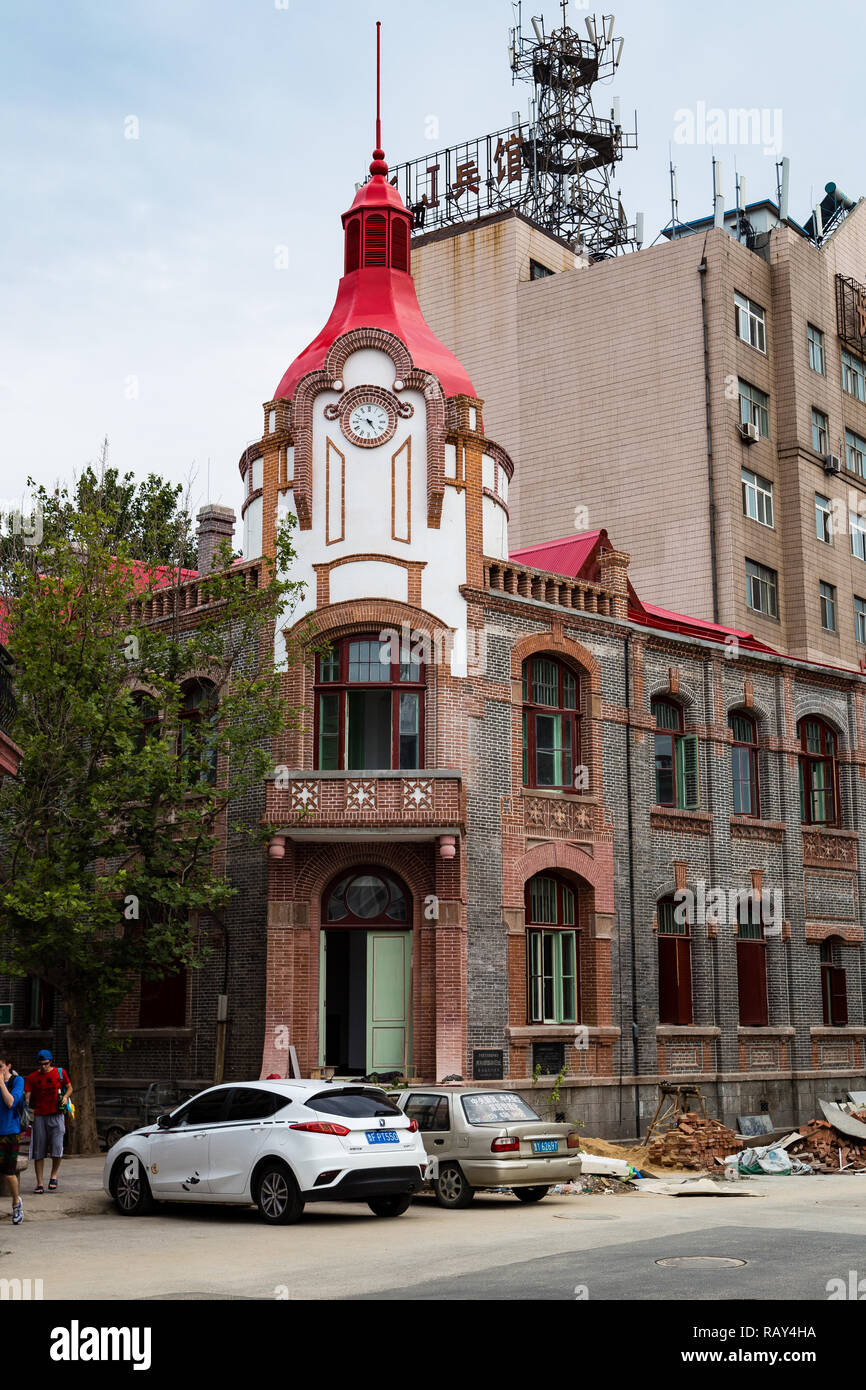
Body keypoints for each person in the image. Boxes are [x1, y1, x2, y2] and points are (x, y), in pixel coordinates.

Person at [24, 1050, 72, 1193]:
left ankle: (53, 1176)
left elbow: (70, 1088)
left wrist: (65, 1097)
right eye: (40, 1064)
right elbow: (27, 1094)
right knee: (39, 1151)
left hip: (57, 1114)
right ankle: (39, 1183)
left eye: (46, 1063)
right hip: (39, 1116)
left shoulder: (60, 1073)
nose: (43, 1066)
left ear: (50, 1061)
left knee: (57, 1147)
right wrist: (26, 1099)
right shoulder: (32, 1077)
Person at [0, 1053, 25, 1225]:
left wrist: (1, 1083)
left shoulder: (17, 1081)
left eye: (0, 1067)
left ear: (8, 1066)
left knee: (9, 1173)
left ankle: (16, 1203)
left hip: (10, 1133)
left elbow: (10, 1102)